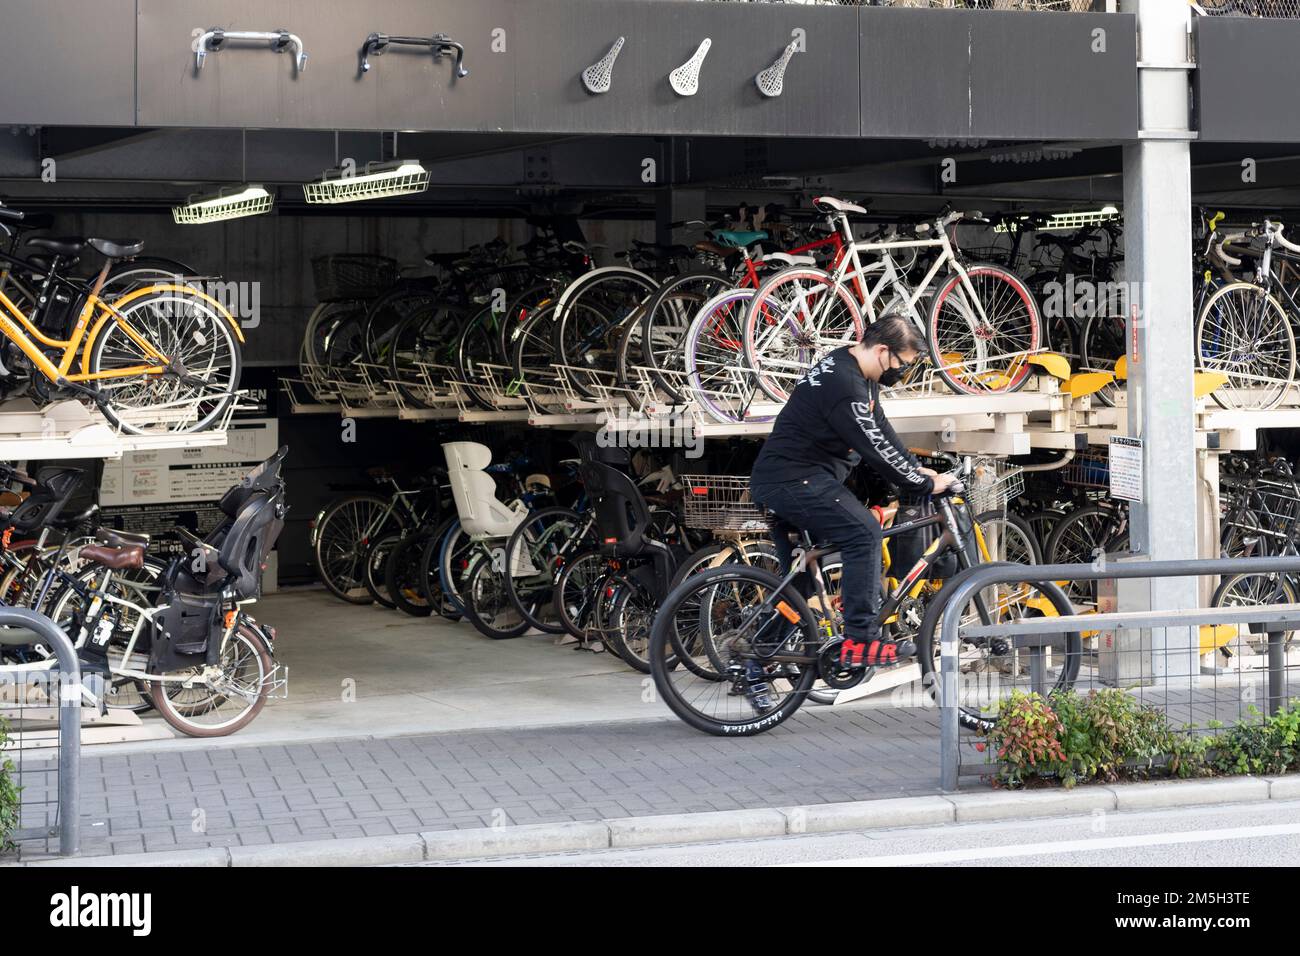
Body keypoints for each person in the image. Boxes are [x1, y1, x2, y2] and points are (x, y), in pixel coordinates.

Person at [749, 313, 955, 675]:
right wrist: (921, 484)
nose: (901, 374)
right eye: (901, 365)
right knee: (864, 532)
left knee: (797, 584)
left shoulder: (855, 370)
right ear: (881, 351)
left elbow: (880, 427)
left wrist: (914, 466)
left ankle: (755, 663)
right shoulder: (845, 385)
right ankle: (860, 639)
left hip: (794, 480)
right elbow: (872, 445)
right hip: (794, 482)